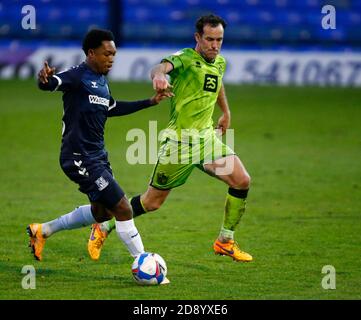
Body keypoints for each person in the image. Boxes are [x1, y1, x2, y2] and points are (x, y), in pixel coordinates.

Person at [88, 14, 253, 262]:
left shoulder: (219, 62)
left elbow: (217, 83)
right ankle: (104, 226)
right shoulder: (186, 58)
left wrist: (226, 112)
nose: (214, 45)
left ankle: (225, 241)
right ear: (198, 37)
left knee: (241, 180)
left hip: (207, 139)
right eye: (209, 39)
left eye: (219, 40)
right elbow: (161, 66)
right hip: (179, 144)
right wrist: (159, 75)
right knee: (152, 202)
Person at [27, 29, 171, 262]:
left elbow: (111, 108)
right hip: (78, 157)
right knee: (123, 208)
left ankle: (42, 231)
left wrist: (150, 102)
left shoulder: (102, 82)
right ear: (91, 53)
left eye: (114, 54)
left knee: (101, 213)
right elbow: (51, 83)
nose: (111, 59)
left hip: (98, 156)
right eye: (107, 54)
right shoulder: (77, 76)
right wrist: (43, 79)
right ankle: (144, 262)